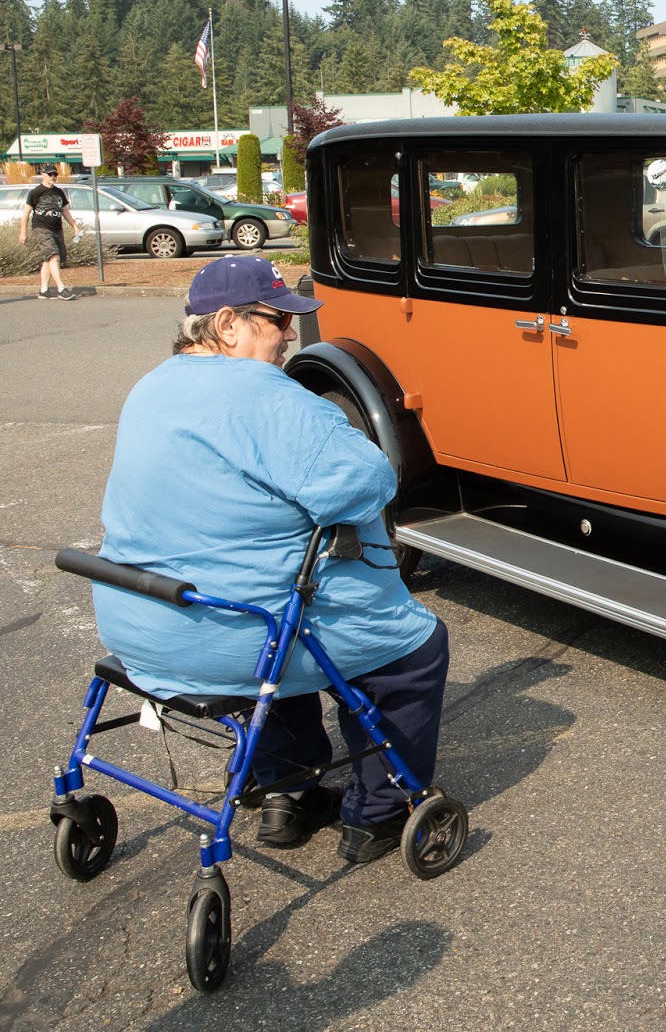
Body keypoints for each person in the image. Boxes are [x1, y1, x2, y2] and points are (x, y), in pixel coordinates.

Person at [91, 256, 448, 863]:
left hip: (140, 621)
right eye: (278, 319)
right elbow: (368, 482)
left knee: (276, 624)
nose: (289, 334)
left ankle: (288, 791)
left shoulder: (150, 386)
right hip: (231, 632)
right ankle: (379, 814)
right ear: (227, 325)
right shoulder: (267, 397)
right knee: (411, 648)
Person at [19, 167, 80, 300]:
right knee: (54, 255)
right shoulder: (36, 192)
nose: (53, 176)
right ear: (43, 175)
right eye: (50, 174)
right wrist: (23, 232)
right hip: (41, 228)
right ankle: (61, 289)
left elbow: (65, 211)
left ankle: (44, 290)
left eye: (55, 174)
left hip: (56, 228)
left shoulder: (58, 192)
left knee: (49, 259)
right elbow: (26, 213)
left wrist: (75, 226)